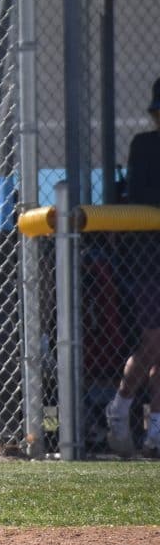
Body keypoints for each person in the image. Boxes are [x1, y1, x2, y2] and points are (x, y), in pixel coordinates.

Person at [104, 76, 160, 457]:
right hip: (149, 258)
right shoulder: (145, 145)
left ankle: (156, 430)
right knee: (152, 340)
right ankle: (120, 406)